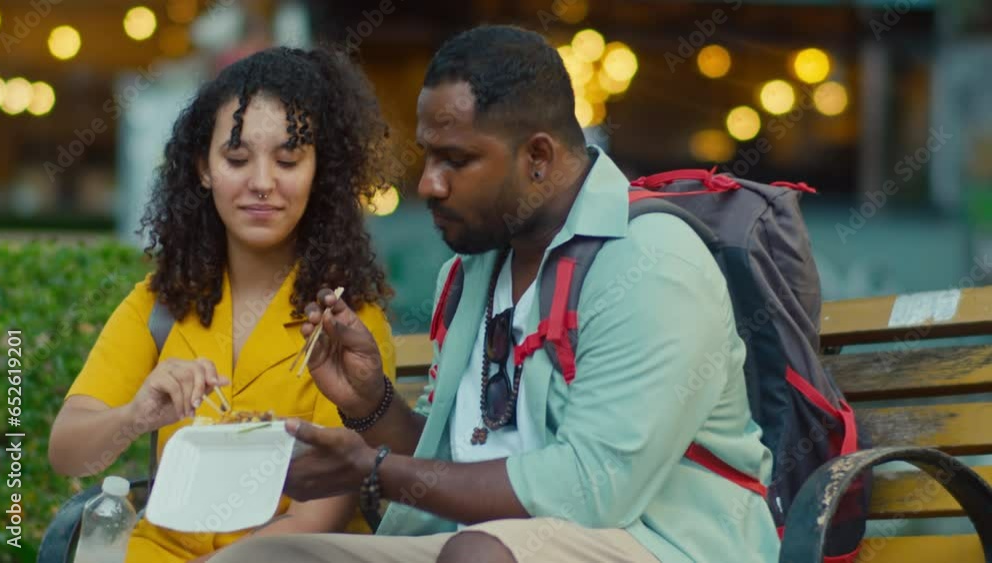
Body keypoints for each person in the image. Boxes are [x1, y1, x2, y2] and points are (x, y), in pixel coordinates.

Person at [211, 26, 780, 563]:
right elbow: (455, 464)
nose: (429, 183)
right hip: (489, 546)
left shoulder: (650, 262)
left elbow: (593, 489)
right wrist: (371, 404)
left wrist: (373, 470)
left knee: (479, 554)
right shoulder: (472, 271)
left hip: (664, 543)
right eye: (428, 155)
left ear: (537, 157)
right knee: (264, 556)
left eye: (455, 160)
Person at [48, 46, 397, 563]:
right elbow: (67, 452)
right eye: (236, 159)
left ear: (319, 171)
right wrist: (136, 415)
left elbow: (315, 513)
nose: (262, 183)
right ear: (204, 168)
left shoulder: (346, 323)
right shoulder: (159, 304)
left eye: (287, 160)